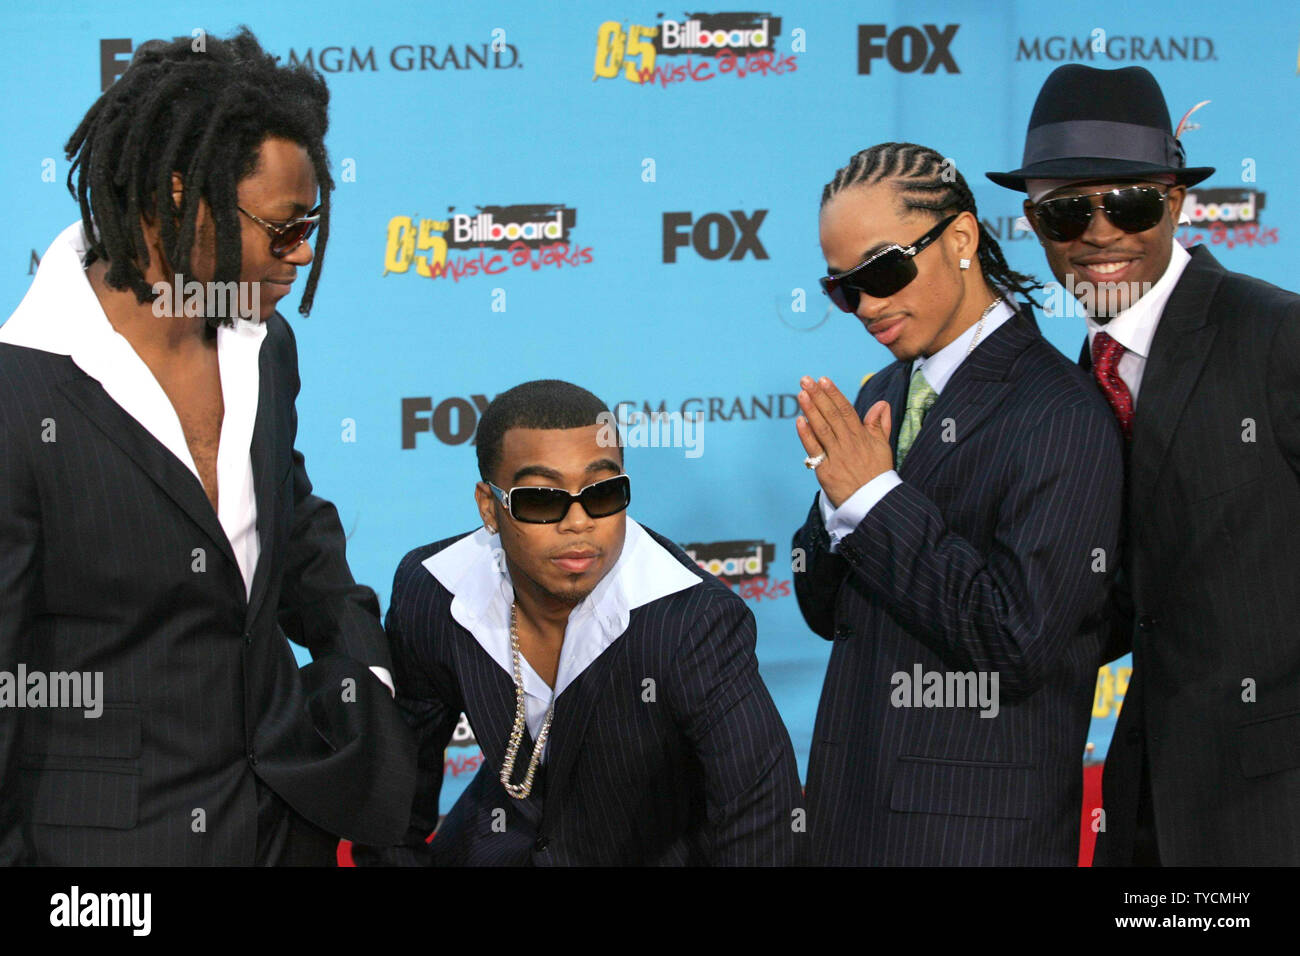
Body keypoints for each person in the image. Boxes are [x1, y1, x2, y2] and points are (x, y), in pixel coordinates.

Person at [0, 29, 414, 866]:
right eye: (283, 230)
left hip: (283, 821)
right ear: (183, 199)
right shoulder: (19, 393)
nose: (300, 259)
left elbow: (288, 522)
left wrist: (362, 670)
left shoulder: (265, 347)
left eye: (313, 228)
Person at [989, 64, 1300, 866]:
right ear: (1034, 223)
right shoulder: (1070, 386)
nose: (1097, 235)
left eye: (1127, 204)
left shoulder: (1273, 336)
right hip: (1142, 807)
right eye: (1064, 213)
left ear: (1175, 201)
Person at [793, 142, 1124, 865]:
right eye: (843, 289)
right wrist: (837, 509)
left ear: (963, 239)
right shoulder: (880, 393)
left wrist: (873, 500)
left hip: (971, 836)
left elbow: (1016, 642)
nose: (868, 305)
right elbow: (825, 612)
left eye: (883, 270)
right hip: (845, 816)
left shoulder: (1060, 412)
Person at [362, 379, 804, 865]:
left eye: (603, 492)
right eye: (542, 499)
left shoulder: (691, 620)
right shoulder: (436, 590)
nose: (578, 522)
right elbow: (395, 794)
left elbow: (760, 812)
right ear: (490, 507)